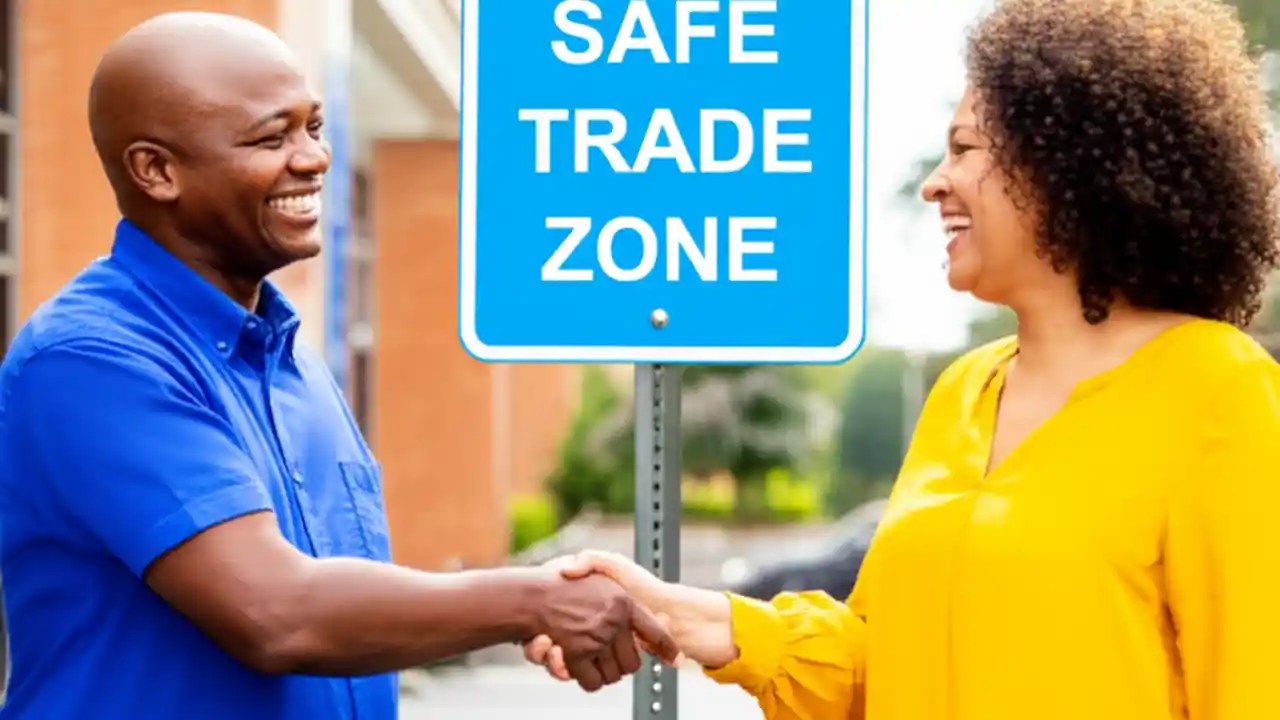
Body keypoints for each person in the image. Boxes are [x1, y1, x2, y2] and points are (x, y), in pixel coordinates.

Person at [525, 0, 1280, 718]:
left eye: (965, 149)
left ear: (1068, 167)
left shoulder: (1220, 390)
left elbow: (1254, 688)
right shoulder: (963, 391)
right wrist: (689, 615)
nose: (934, 183)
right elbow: (881, 665)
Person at [0, 12, 678, 720]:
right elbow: (276, 612)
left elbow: (343, 608)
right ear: (157, 171)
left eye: (314, 128)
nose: (314, 159)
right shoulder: (92, 361)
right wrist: (532, 599)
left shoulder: (291, 359)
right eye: (271, 137)